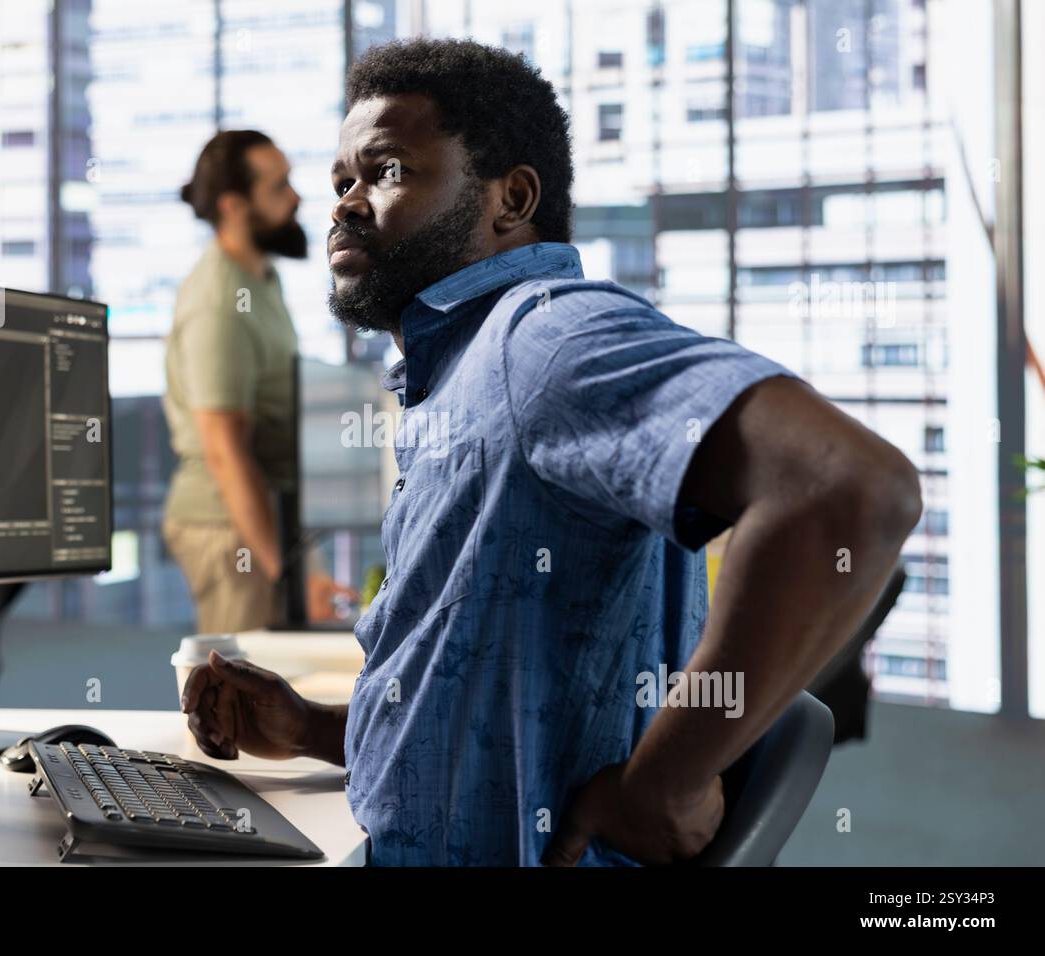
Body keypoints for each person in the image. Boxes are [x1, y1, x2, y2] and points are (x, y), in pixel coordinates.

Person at [182, 39, 922, 866]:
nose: (347, 204)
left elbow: (855, 489)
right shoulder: (463, 373)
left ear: (512, 199)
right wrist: (314, 729)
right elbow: (497, 716)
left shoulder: (542, 339)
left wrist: (664, 786)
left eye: (387, 171)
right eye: (341, 181)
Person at [165, 130, 354, 632]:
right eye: (278, 187)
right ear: (233, 205)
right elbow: (226, 451)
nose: (295, 198)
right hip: (226, 525)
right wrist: (287, 572)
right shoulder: (219, 303)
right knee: (238, 694)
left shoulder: (257, 279)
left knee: (279, 684)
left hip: (260, 515)